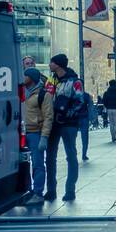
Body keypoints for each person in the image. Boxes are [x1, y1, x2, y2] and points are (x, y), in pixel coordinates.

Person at [45, 54, 84, 202]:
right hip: (52, 123)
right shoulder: (51, 80)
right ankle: (51, 190)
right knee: (50, 157)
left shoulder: (75, 81)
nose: (49, 65)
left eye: (52, 62)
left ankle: (70, 190)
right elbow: (45, 99)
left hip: (68, 124)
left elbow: (79, 101)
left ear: (58, 64)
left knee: (71, 155)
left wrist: (67, 114)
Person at [21, 67, 53, 204]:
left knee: (38, 164)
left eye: (25, 75)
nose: (23, 78)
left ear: (31, 78)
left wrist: (44, 137)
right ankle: (28, 191)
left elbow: (48, 117)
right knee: (24, 164)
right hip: (23, 133)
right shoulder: (22, 93)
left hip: (36, 133)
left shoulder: (43, 95)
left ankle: (38, 193)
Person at [80, 89, 92, 161]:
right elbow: (90, 106)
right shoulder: (86, 95)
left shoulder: (71, 94)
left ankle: (71, 154)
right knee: (85, 137)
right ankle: (84, 154)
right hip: (84, 117)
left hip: (74, 118)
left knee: (71, 138)